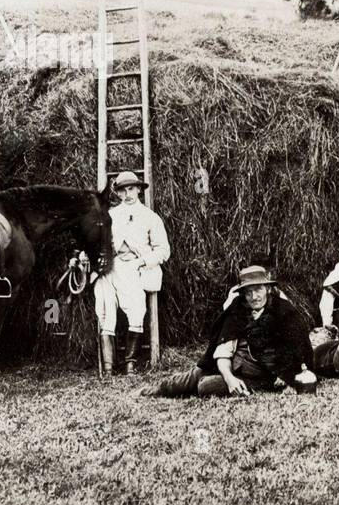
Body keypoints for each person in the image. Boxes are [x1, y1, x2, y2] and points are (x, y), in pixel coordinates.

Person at [150, 265, 307, 397]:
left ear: (268, 289)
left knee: (206, 386)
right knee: (193, 376)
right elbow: (224, 351)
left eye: (258, 289)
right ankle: (155, 390)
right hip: (232, 367)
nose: (254, 296)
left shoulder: (284, 313)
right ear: (243, 294)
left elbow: (298, 349)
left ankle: (204, 385)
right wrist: (229, 378)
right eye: (248, 292)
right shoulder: (236, 311)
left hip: (260, 377)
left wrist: (290, 379)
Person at [93, 170, 170, 375]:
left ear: (138, 190)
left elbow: (163, 250)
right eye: (122, 190)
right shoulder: (109, 215)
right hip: (111, 268)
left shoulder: (150, 217)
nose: (127, 194)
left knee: (137, 309)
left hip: (135, 269)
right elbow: (96, 242)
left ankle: (130, 364)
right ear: (117, 193)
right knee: (105, 309)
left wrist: (142, 261)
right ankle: (108, 368)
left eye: (131, 189)